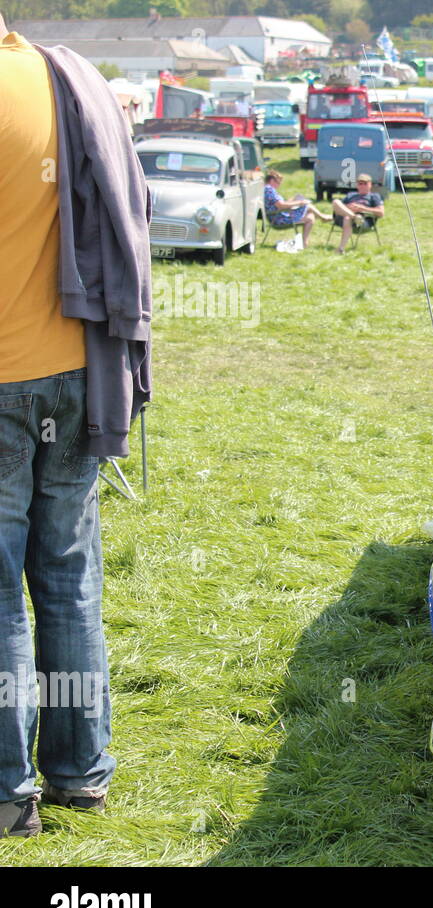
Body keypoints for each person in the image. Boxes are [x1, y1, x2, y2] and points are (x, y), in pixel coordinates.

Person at [2, 21, 152, 838]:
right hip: (76, 367)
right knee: (66, 578)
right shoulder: (60, 77)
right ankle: (79, 775)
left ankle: (8, 790)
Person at [263, 169, 328, 247]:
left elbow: (279, 204)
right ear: (272, 181)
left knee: (310, 216)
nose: (279, 185)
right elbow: (280, 205)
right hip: (279, 219)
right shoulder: (269, 190)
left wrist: (292, 200)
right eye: (278, 182)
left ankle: (304, 243)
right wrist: (299, 203)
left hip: (279, 215)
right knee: (307, 205)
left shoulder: (267, 189)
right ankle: (323, 217)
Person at [330, 173, 384, 253]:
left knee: (348, 218)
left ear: (370, 185)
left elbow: (381, 213)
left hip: (363, 220)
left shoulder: (374, 196)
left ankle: (341, 248)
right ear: (357, 185)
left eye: (365, 184)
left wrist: (362, 208)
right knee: (336, 202)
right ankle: (354, 216)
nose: (362, 186)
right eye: (360, 184)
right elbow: (339, 207)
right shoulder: (351, 195)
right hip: (347, 216)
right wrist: (349, 208)